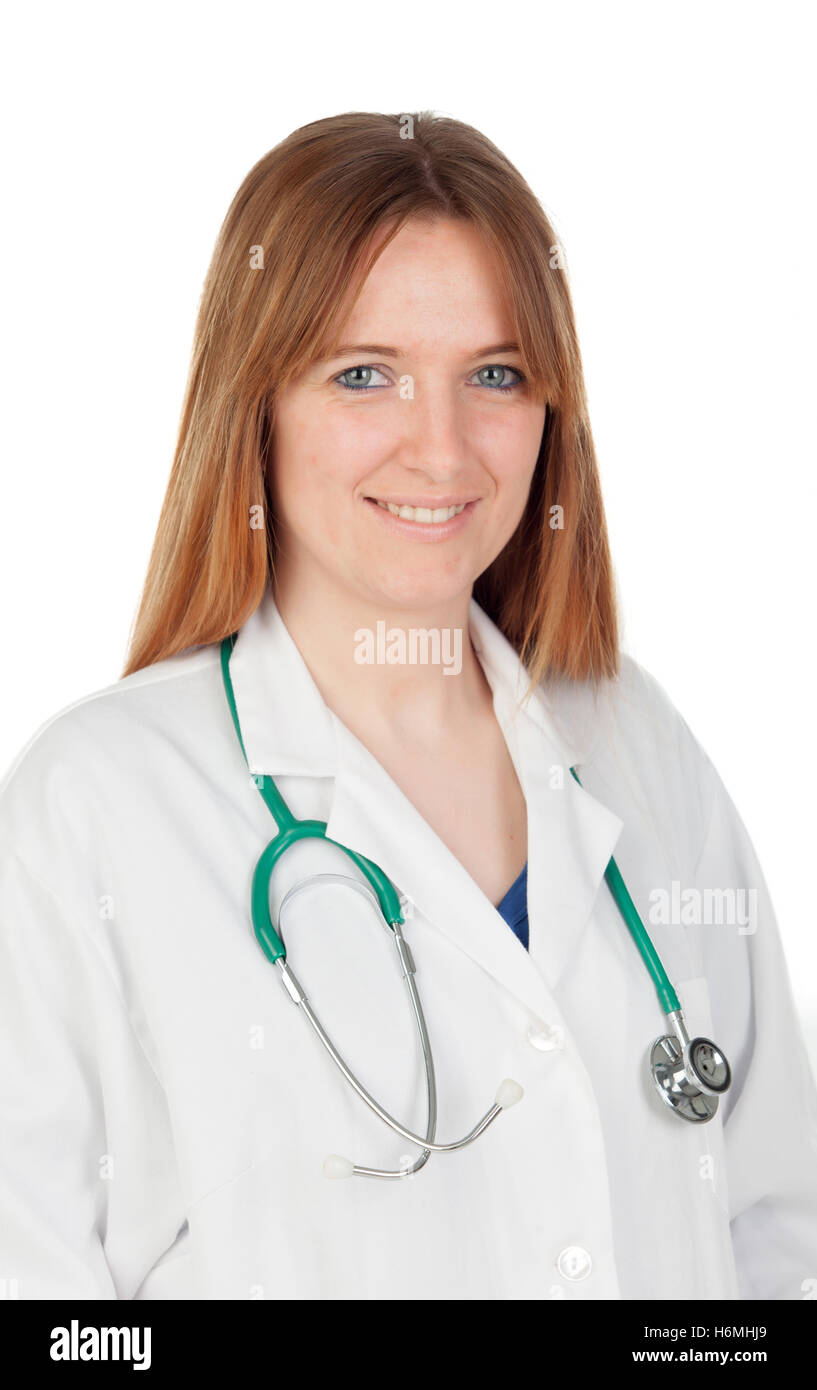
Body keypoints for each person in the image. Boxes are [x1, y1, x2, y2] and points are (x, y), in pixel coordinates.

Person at [1, 110, 816, 1302]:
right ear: (256, 406)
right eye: (363, 375)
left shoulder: (633, 741)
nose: (442, 451)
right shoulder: (98, 805)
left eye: (494, 375)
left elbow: (773, 1232)